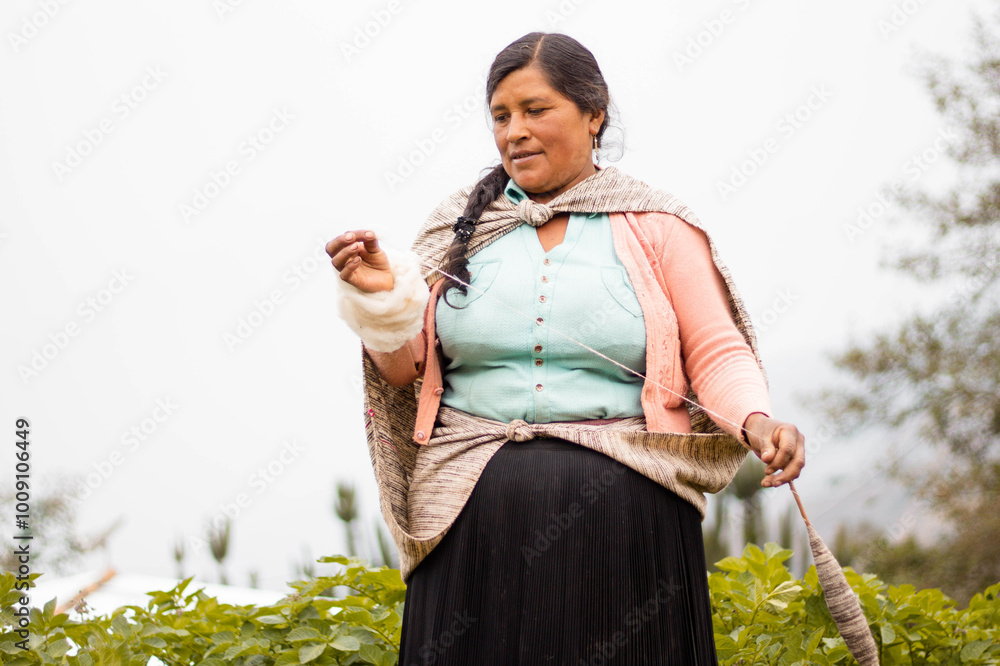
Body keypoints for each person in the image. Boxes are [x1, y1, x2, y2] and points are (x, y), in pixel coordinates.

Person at [327, 32, 805, 665]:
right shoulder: (457, 229)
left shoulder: (656, 226)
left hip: (629, 523)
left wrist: (756, 420)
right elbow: (403, 372)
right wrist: (381, 300)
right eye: (501, 116)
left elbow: (715, 351)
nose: (514, 131)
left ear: (594, 113)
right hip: (471, 524)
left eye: (535, 110)